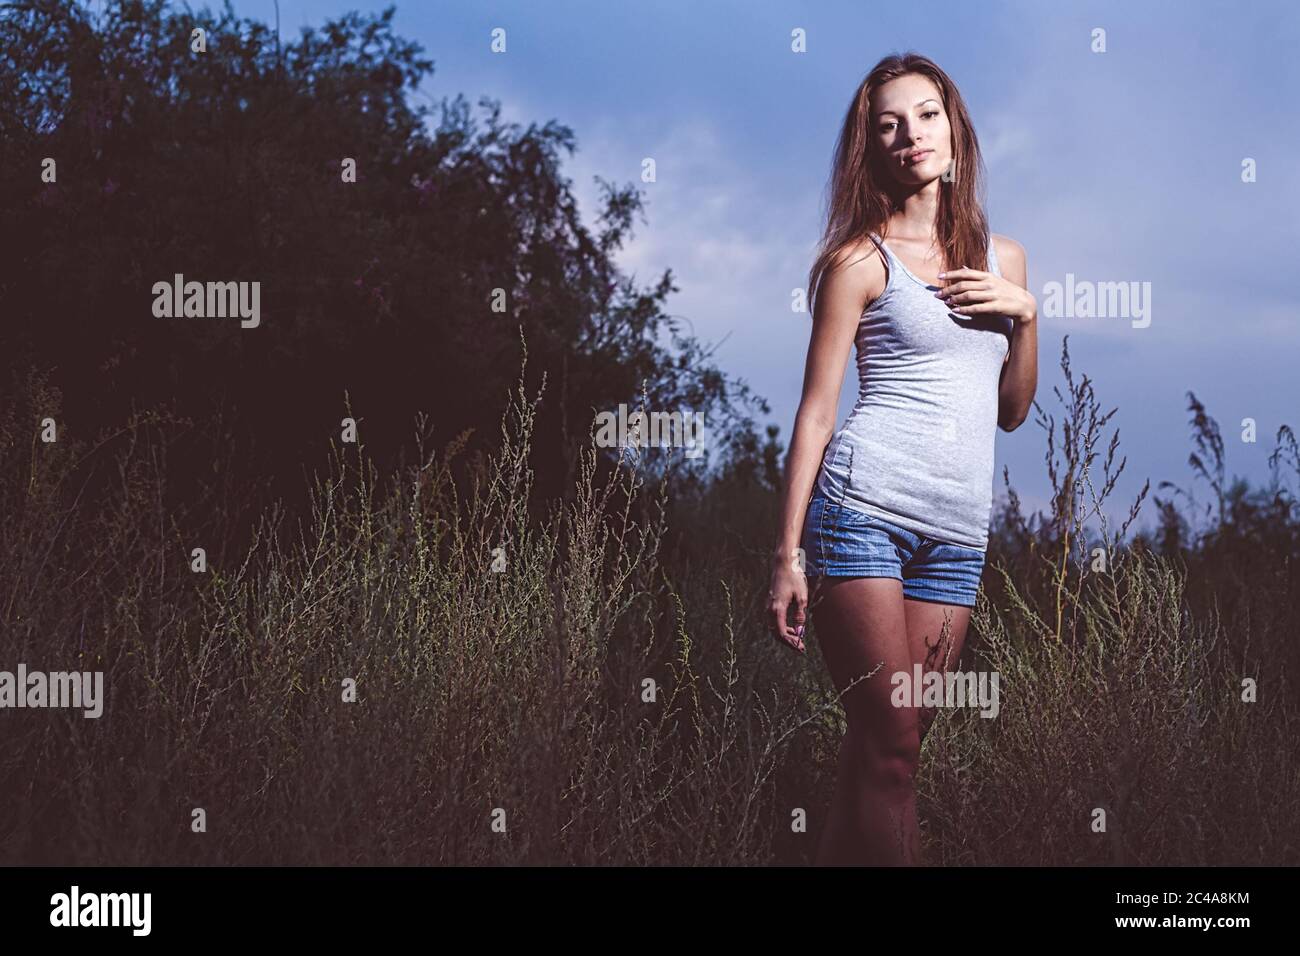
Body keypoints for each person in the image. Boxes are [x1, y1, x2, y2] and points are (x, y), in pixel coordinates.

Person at [766, 52, 1039, 865]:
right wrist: (787, 556)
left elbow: (1014, 414)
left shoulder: (1006, 262)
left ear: (954, 133)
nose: (908, 133)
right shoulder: (857, 263)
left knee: (892, 745)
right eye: (888, 123)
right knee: (891, 748)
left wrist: (1026, 319)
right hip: (863, 515)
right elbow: (816, 414)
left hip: (957, 535)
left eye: (924, 114)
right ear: (872, 148)